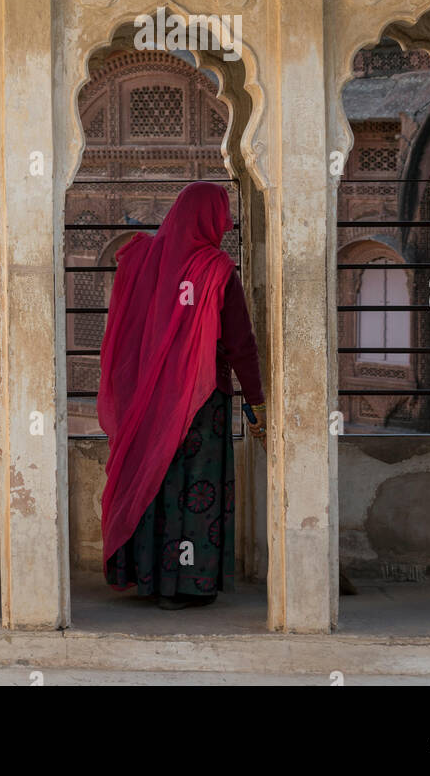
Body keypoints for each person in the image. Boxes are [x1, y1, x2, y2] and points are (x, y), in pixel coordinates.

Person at [97, 181, 266, 610]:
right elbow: (241, 343)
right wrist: (257, 402)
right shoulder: (217, 270)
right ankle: (186, 585)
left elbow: (125, 332)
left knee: (156, 479)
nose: (226, 225)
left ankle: (150, 578)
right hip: (200, 400)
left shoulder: (141, 260)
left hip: (149, 398)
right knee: (195, 488)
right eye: (222, 216)